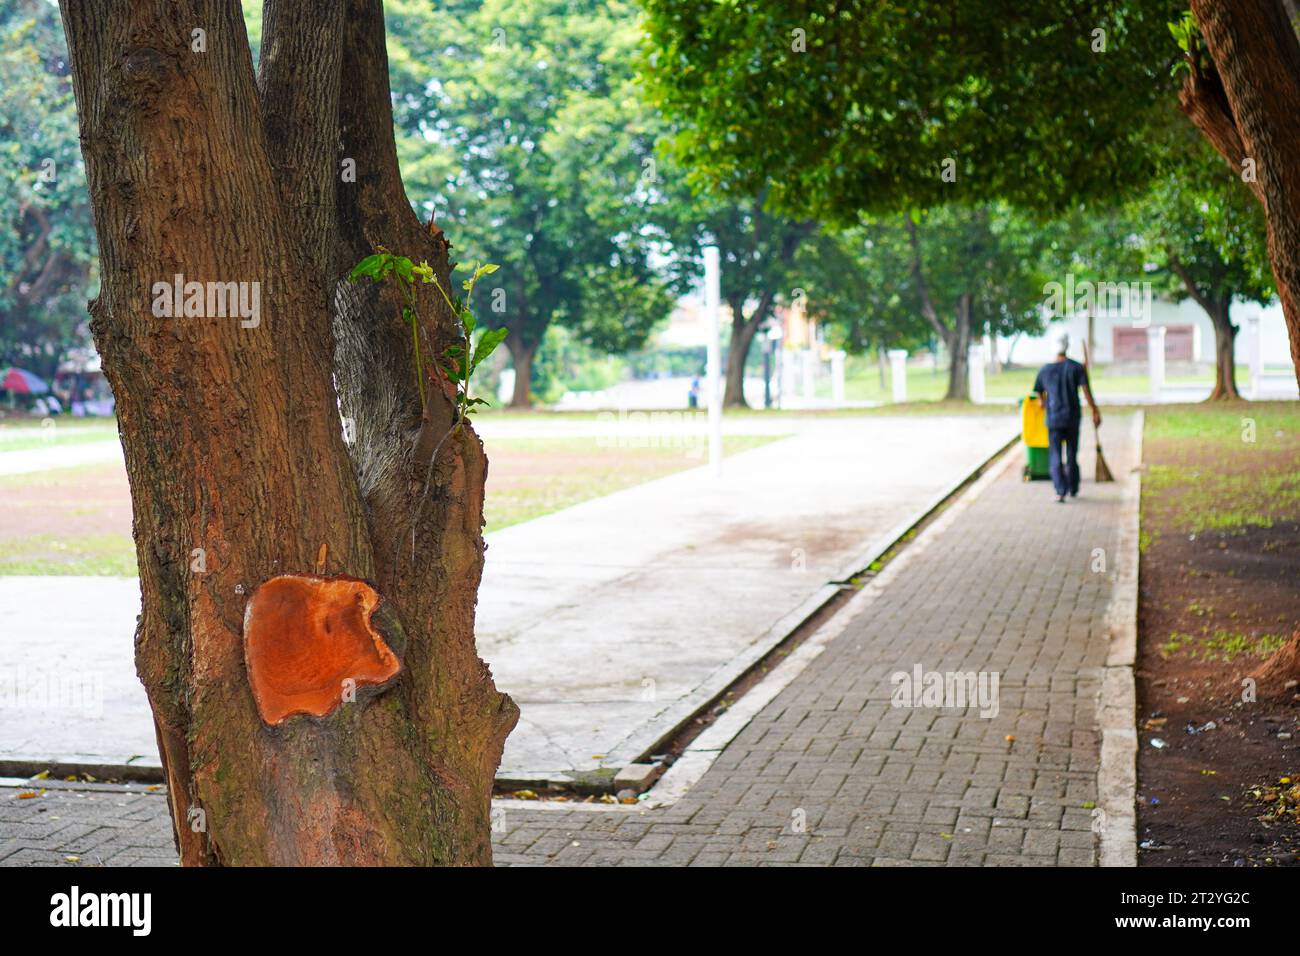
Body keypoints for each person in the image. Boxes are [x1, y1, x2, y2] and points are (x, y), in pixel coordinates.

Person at [1033, 333, 1101, 503]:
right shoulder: (1076, 367)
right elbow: (1086, 392)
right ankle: (1073, 487)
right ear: (1067, 346)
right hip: (1072, 418)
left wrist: (1043, 402)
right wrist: (1095, 410)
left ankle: (1060, 491)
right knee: (1072, 454)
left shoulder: (1044, 370)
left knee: (1055, 455)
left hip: (1054, 419)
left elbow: (1039, 393)